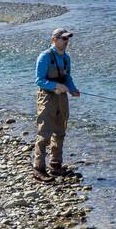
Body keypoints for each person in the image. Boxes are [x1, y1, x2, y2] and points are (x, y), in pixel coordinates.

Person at [33, 28, 79, 182]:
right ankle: (39, 169)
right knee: (44, 133)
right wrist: (55, 87)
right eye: (63, 39)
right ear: (54, 40)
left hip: (62, 98)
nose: (66, 42)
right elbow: (39, 80)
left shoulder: (66, 58)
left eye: (67, 39)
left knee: (60, 131)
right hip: (46, 97)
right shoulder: (44, 56)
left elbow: (67, 77)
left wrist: (72, 89)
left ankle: (55, 165)